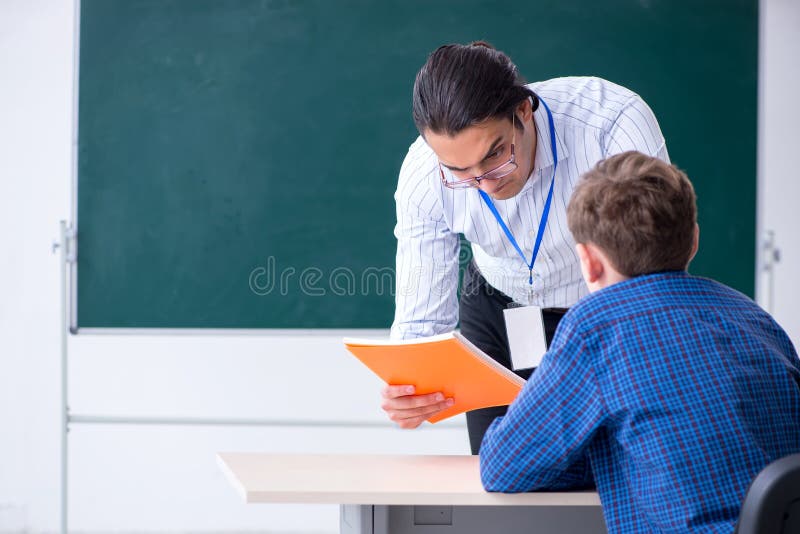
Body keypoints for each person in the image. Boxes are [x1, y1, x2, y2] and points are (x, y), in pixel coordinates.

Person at [479, 151, 800, 533]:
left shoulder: (595, 327)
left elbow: (503, 464)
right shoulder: (753, 317)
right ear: (693, 240)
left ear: (589, 262)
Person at [381, 41, 670, 454]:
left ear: (522, 110)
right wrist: (410, 388)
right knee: (501, 474)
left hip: (600, 307)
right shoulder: (424, 174)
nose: (486, 183)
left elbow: (651, 280)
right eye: (460, 172)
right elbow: (420, 328)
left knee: (614, 465)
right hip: (499, 304)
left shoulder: (611, 127)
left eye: (495, 154)